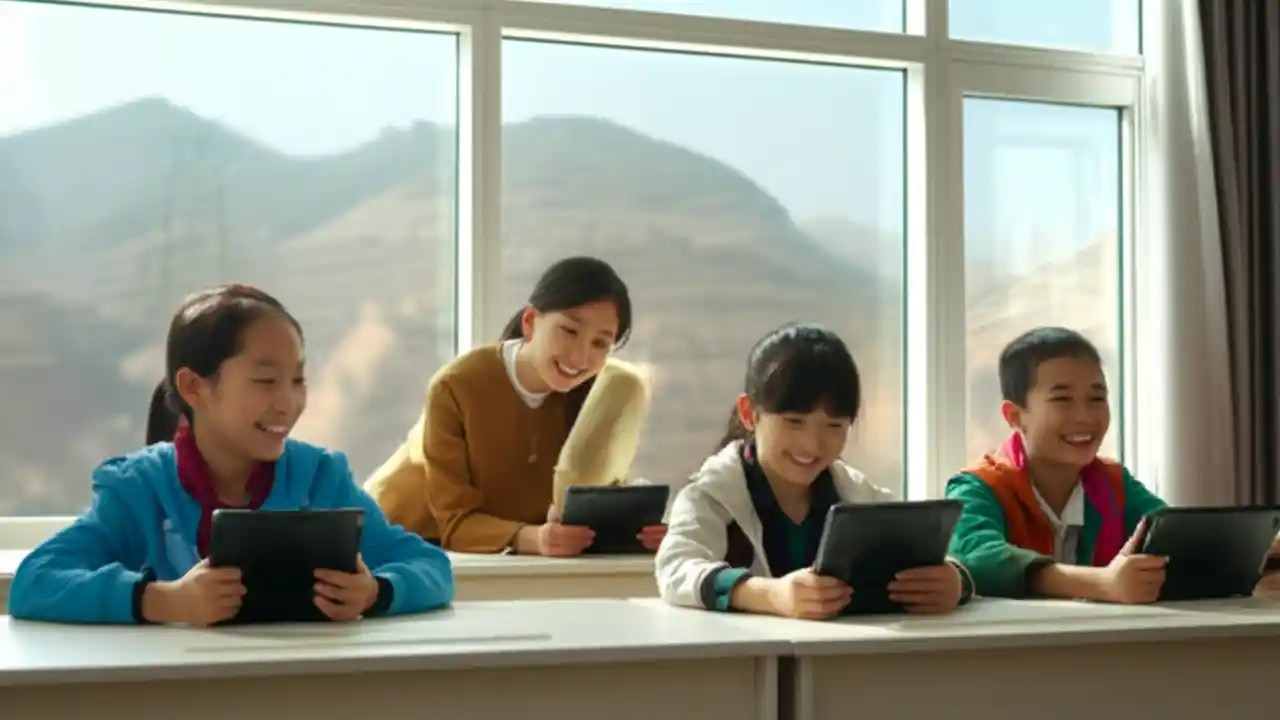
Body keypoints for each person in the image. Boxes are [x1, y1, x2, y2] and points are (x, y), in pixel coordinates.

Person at [8, 284, 454, 625]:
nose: (288, 403)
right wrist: (162, 600)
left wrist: (376, 591)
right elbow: (35, 582)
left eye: (298, 380)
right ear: (194, 387)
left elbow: (430, 567)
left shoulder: (321, 477)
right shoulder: (137, 488)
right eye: (265, 381)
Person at [656, 323, 972, 619]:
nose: (811, 445)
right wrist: (769, 595)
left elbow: (934, 555)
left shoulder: (857, 493)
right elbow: (676, 569)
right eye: (794, 421)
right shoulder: (712, 494)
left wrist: (955, 581)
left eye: (834, 426)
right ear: (749, 414)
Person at [946, 326, 1280, 602]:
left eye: (1097, 398)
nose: (1085, 417)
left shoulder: (1113, 482)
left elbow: (1169, 536)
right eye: (1062, 399)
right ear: (1015, 416)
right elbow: (981, 558)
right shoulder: (979, 486)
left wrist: (1258, 553)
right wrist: (1101, 583)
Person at [366, 257, 663, 555]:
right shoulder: (456, 385)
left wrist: (638, 531)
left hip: (494, 557)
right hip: (391, 542)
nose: (580, 358)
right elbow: (454, 522)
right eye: (569, 331)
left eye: (600, 344)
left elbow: (582, 506)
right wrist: (535, 539)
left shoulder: (593, 395)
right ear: (531, 322)